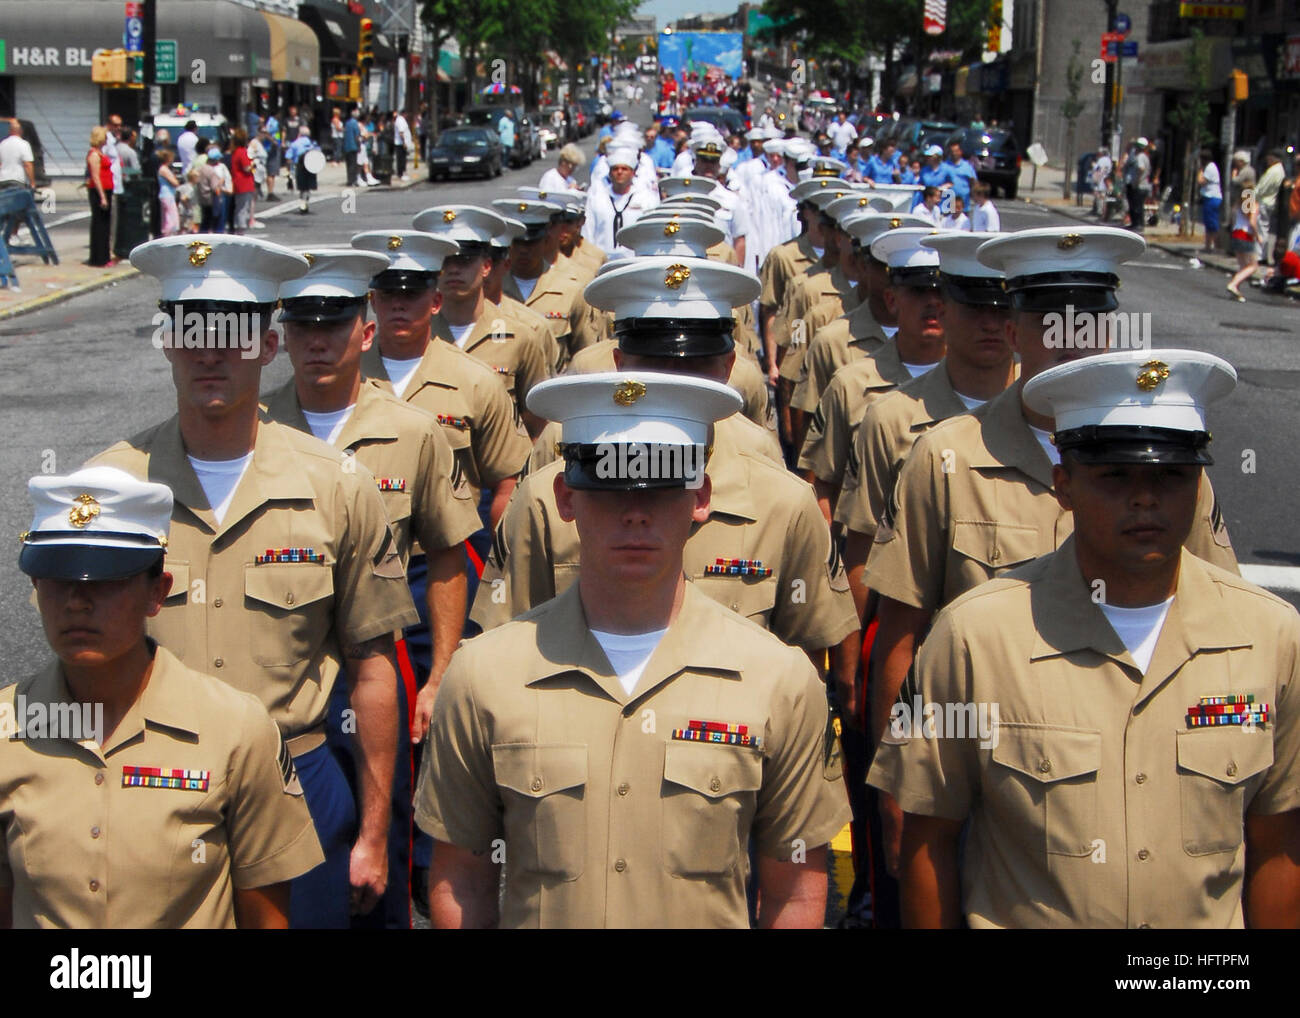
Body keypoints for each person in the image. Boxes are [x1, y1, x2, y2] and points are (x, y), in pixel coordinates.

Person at [870, 348, 1300, 930]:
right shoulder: (976, 637)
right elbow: (929, 839)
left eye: (1170, 475)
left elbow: (1276, 845)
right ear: (1064, 485)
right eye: (1115, 474)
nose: (1145, 498)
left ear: (1200, 486)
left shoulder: (1272, 639)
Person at [863, 227, 1241, 882]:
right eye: (1047, 318)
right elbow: (902, 636)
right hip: (995, 792)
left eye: (1088, 317)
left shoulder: (1174, 471)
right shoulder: (949, 455)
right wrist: (900, 791)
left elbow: (1226, 630)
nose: (1070, 334)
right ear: (1014, 331)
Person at [418, 371, 852, 928]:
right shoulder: (483, 675)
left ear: (700, 498)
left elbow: (794, 892)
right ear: (566, 498)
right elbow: (462, 880)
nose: (635, 513)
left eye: (660, 487)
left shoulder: (777, 680)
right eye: (609, 486)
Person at [87, 236, 419, 928]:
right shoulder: (112, 488)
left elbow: (373, 666)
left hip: (300, 786)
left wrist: (373, 833)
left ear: (267, 345)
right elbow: (78, 665)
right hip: (153, 791)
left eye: (232, 332)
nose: (212, 353)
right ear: (168, 341)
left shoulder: (337, 485)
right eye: (191, 331)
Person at [1, 466, 325, 928]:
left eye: (104, 582)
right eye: (56, 579)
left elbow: (267, 917)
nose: (76, 602)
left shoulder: (234, 730)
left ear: (158, 592)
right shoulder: (6, 728)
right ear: (35, 586)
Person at [266, 249, 481, 930]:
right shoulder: (256, 429)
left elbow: (449, 557)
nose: (318, 343)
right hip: (285, 667)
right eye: (303, 329)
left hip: (385, 665)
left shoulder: (411, 431)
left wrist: (442, 672)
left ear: (364, 332)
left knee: (382, 825)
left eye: (333, 327)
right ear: (282, 339)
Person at [1227, 181, 1262, 301]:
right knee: (1253, 266)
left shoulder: (1237, 204)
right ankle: (1233, 284)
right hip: (1246, 235)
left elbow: (1232, 219)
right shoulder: (1253, 204)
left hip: (1235, 234)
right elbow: (1252, 222)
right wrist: (1258, 236)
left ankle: (1236, 290)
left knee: (1243, 265)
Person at [85, 126, 113, 267]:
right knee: (100, 225)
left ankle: (104, 256)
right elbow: (95, 177)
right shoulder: (94, 155)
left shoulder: (100, 153)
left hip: (107, 189)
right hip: (99, 192)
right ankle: (99, 258)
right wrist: (102, 196)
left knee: (105, 225)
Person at [1255, 149, 1286, 265]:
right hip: (1269, 202)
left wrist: (1249, 198)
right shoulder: (1279, 170)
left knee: (1261, 229)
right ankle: (1260, 254)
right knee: (1264, 229)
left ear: (1274, 158)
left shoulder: (1273, 171)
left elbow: (1261, 188)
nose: (1267, 160)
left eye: (1269, 157)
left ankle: (1260, 255)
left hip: (1264, 202)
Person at [285, 126, 320, 214]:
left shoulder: (295, 144)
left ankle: (303, 204)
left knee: (302, 187)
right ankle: (305, 202)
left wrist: (289, 170)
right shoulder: (313, 144)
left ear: (299, 133)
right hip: (311, 167)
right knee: (308, 187)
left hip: (299, 167)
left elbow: (288, 158)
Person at [1122, 137, 1152, 234]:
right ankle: (1134, 224)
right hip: (1136, 184)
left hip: (1139, 186)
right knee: (1134, 205)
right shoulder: (1140, 155)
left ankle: (1138, 224)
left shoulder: (1140, 156)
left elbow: (1141, 168)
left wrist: (1137, 180)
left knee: (1137, 206)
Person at [229, 128, 256, 235]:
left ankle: (239, 227)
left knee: (240, 206)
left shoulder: (235, 151)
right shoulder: (242, 151)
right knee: (243, 207)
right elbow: (247, 168)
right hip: (244, 183)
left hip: (238, 182)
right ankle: (241, 229)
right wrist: (254, 164)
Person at [0, 119, 35, 195]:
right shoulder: (24, 144)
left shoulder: (2, 144)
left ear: (10, 131)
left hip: (2, 181)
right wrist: (32, 183)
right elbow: (27, 165)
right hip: (17, 180)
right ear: (21, 131)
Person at [1197, 148, 1222, 253]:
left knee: (1213, 223)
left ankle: (1215, 246)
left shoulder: (1210, 168)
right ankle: (1207, 245)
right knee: (1208, 223)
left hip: (1212, 197)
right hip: (1208, 197)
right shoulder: (1209, 167)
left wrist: (1200, 170)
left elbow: (1201, 181)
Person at [156, 148, 181, 237]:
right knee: (171, 217)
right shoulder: (164, 169)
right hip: (167, 195)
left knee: (168, 217)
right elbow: (175, 182)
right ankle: (168, 236)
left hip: (168, 195)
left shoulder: (165, 169)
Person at [343, 107, 362, 187]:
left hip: (347, 146)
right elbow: (357, 136)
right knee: (353, 164)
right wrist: (359, 145)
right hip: (353, 146)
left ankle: (349, 180)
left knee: (348, 164)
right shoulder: (355, 124)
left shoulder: (347, 123)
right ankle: (353, 180)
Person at [393, 108, 413, 181]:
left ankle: (402, 172)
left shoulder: (401, 120)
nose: (407, 115)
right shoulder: (400, 120)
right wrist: (404, 142)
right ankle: (401, 174)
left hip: (402, 143)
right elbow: (401, 133)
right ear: (404, 114)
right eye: (406, 114)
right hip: (400, 143)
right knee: (401, 159)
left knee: (403, 159)